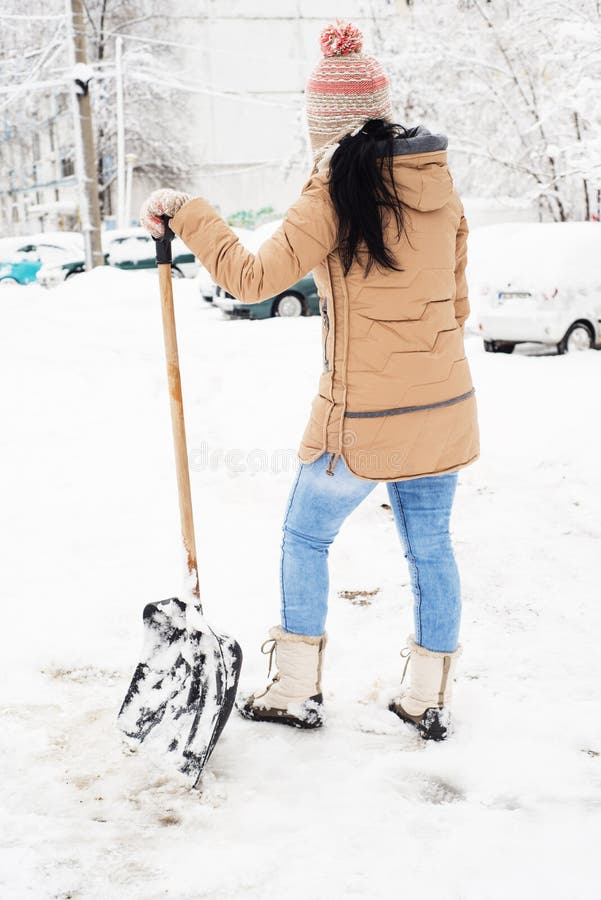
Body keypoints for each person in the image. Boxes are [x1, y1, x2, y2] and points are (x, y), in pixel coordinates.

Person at [140, 20, 480, 742]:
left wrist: (189, 212)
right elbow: (456, 305)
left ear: (323, 125)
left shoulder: (334, 192)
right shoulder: (439, 184)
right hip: (444, 405)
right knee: (431, 549)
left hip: (360, 416)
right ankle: (427, 695)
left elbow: (250, 277)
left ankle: (294, 685)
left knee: (303, 536)